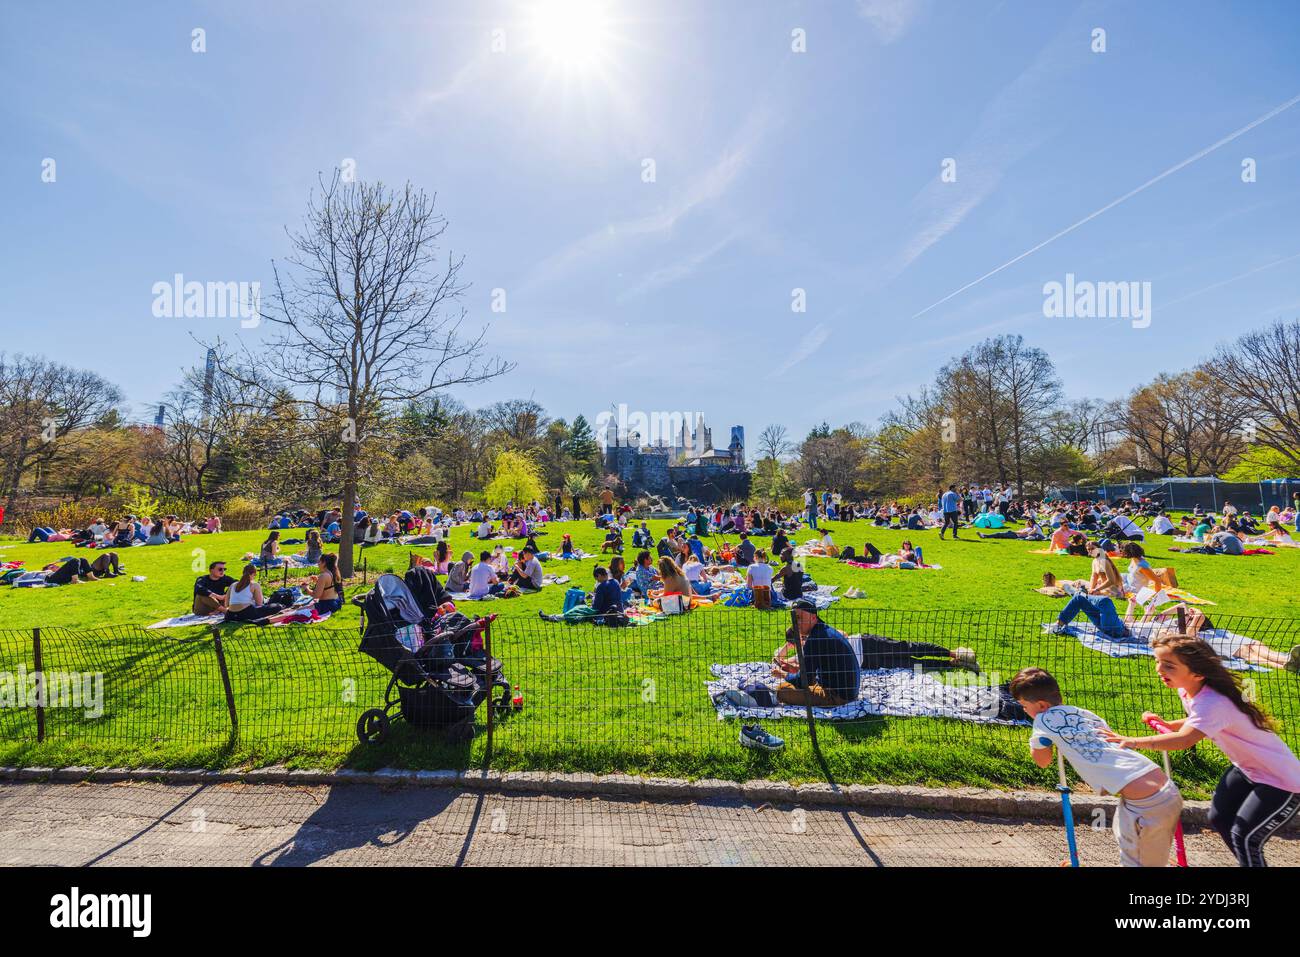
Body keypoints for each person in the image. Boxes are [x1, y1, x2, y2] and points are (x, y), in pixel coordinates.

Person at [1101, 634, 1300, 866]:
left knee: (1244, 836)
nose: (1159, 669)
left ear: (1197, 673)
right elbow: (1195, 722)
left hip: (1282, 780)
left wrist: (1134, 741)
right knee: (1220, 818)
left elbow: (1186, 739)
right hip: (1248, 769)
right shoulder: (1189, 691)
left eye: (1168, 665)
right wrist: (1167, 725)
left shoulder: (1213, 702)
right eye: (1157, 661)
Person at [1010, 667, 1182, 867]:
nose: (1023, 710)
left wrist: (1038, 743)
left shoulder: (1042, 720)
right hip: (1156, 789)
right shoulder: (1084, 714)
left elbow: (1042, 761)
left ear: (1040, 705)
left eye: (1024, 705)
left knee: (1137, 861)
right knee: (1124, 834)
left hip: (1148, 803)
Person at [769, 599, 859, 706]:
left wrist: (783, 674)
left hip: (837, 696)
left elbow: (805, 681)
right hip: (848, 692)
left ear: (813, 617)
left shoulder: (814, 639)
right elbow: (811, 673)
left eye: (799, 617)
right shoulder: (824, 631)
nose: (795, 623)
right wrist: (795, 670)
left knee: (782, 690)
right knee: (792, 683)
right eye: (793, 618)